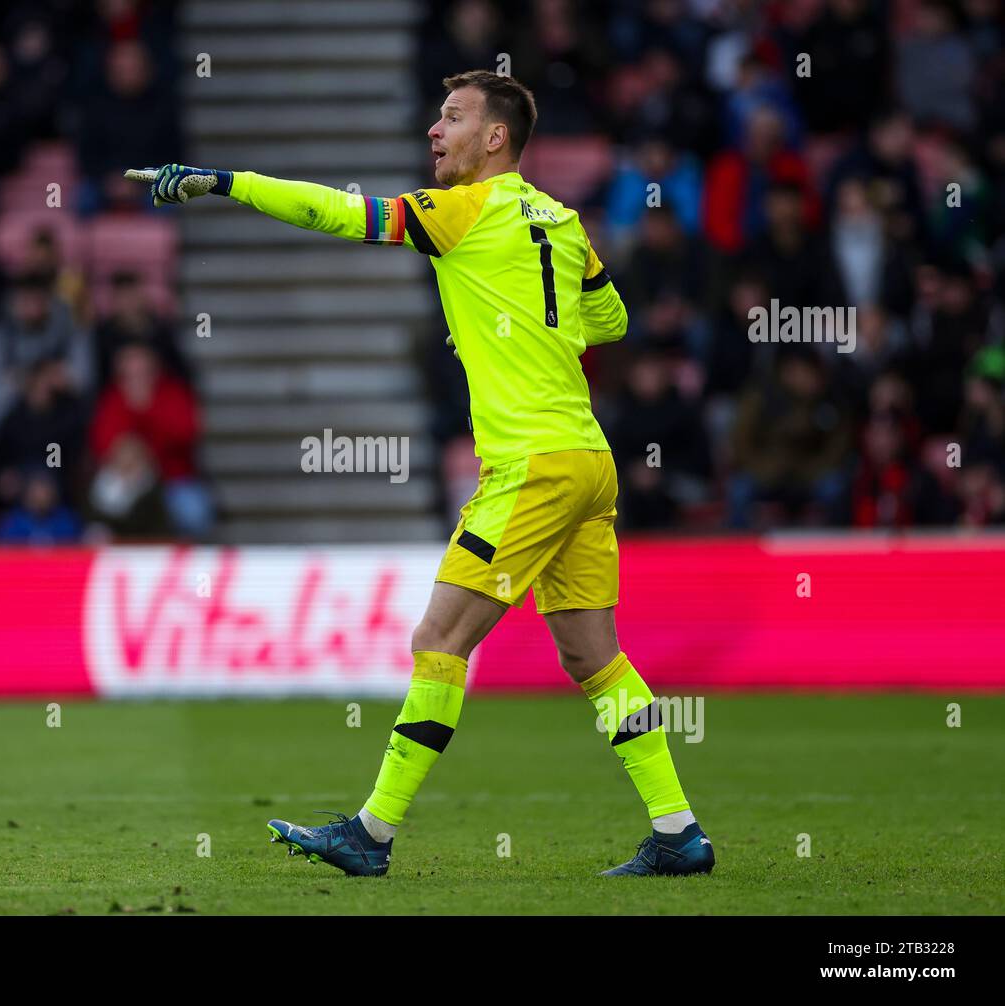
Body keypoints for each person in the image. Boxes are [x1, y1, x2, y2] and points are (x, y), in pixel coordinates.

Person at [128, 70, 713, 879]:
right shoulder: (562, 218)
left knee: (438, 641)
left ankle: (371, 834)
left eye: (453, 117)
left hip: (534, 465)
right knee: (592, 658)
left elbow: (342, 213)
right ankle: (679, 832)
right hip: (589, 459)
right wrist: (535, 335)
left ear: (495, 137)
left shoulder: (465, 211)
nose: (435, 130)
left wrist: (227, 181)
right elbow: (610, 320)